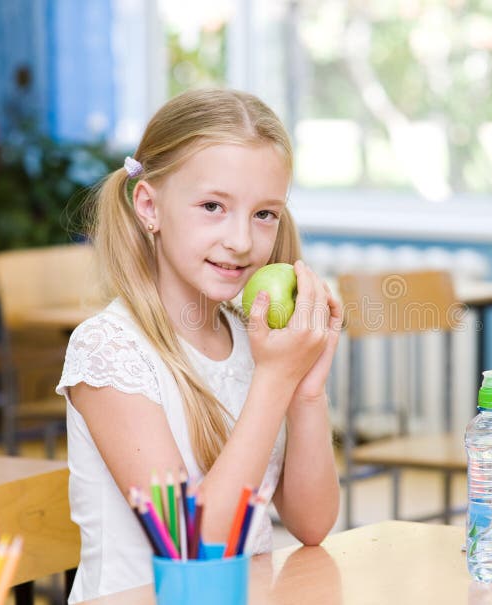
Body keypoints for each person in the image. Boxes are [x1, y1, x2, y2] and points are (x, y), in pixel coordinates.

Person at [56, 88, 341, 603]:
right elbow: (191, 545)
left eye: (264, 214)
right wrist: (275, 381)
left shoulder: (252, 340)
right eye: (213, 206)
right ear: (149, 207)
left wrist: (306, 393)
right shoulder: (108, 351)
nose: (241, 240)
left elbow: (314, 523)